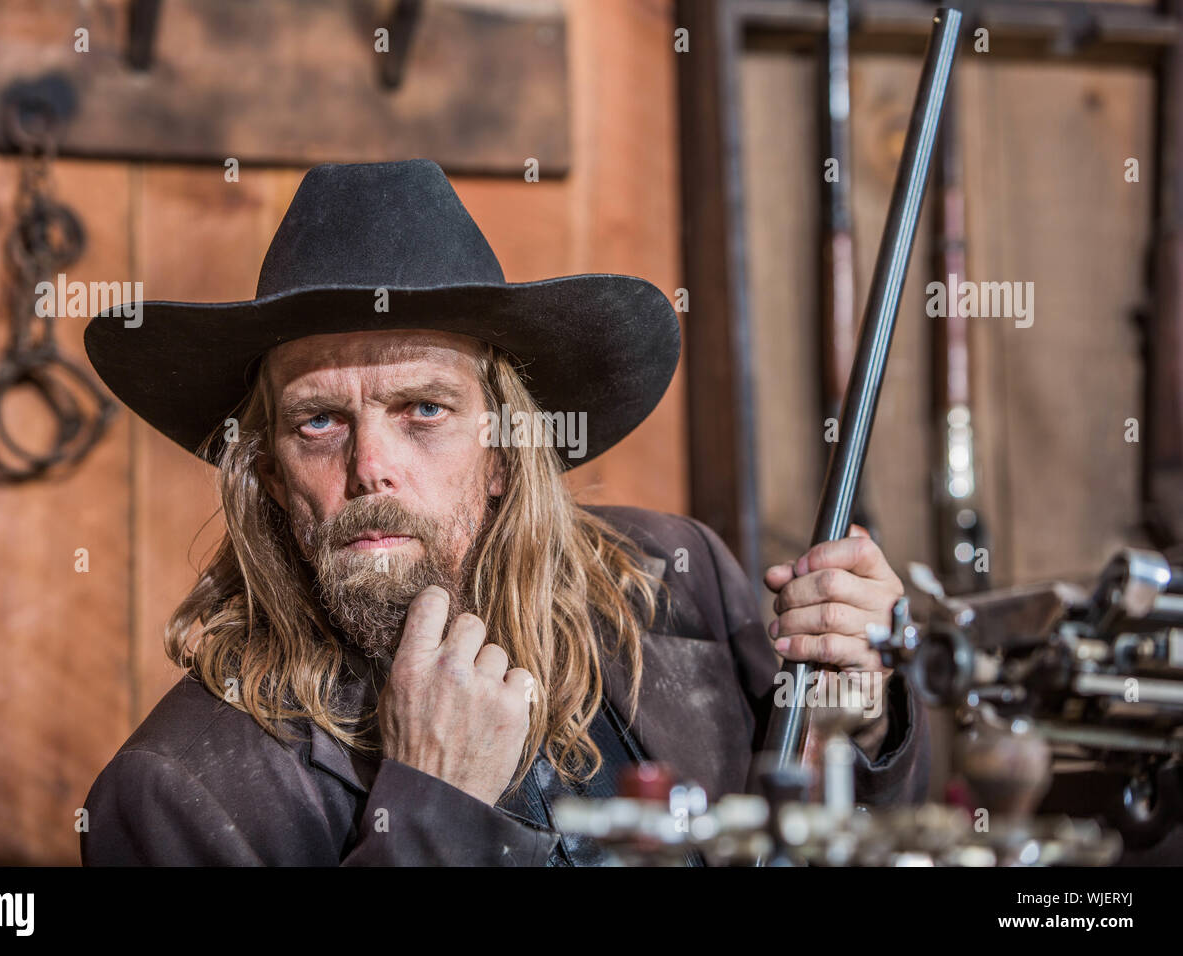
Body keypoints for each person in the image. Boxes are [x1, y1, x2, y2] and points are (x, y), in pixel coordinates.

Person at [80, 159, 928, 865]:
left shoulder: (677, 577)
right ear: (269, 471)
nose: (370, 465)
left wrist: (868, 719)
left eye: (424, 410)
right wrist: (432, 807)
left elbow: (858, 834)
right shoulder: (181, 794)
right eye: (319, 422)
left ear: (503, 450)